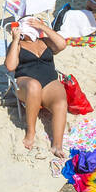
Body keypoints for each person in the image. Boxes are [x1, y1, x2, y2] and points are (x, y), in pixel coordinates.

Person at [6, 18, 70, 157]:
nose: (32, 25)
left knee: (61, 103)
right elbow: (10, 66)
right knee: (34, 86)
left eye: (34, 23)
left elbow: (62, 44)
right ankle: (31, 132)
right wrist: (16, 39)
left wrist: (44, 27)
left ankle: (57, 145)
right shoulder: (17, 45)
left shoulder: (45, 42)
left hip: (49, 83)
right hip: (25, 84)